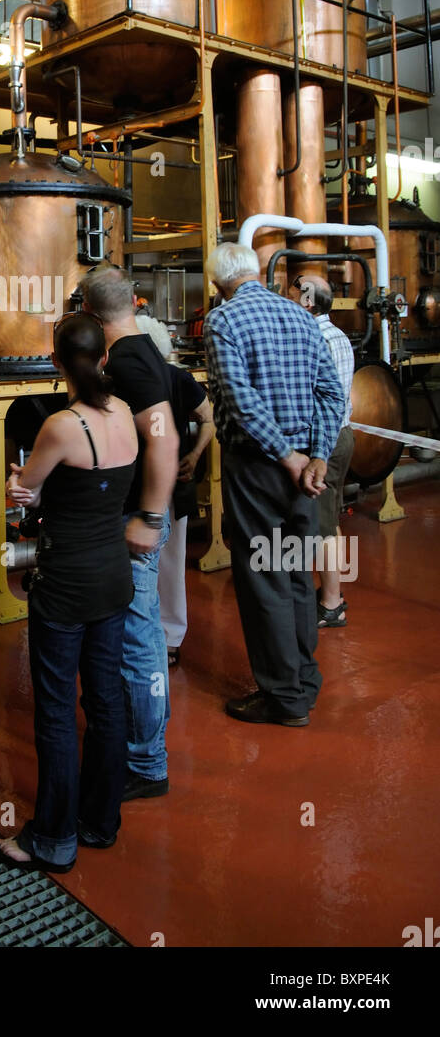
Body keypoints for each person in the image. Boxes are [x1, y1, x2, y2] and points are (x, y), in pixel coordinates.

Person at [0, 312, 138, 873]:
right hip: (113, 579)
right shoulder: (127, 413)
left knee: (55, 712)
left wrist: (18, 484)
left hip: (65, 586)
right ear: (104, 359)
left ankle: (53, 838)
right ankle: (101, 822)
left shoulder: (61, 425)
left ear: (57, 364)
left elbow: (24, 491)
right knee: (105, 702)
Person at [203, 244, 345, 726]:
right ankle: (304, 682)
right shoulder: (301, 316)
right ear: (256, 272)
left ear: (218, 283)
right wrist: (318, 456)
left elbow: (240, 401)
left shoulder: (223, 321)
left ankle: (283, 698)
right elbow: (331, 392)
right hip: (306, 471)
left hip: (261, 468)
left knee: (264, 581)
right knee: (294, 573)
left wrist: (288, 458)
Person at [82, 264, 179, 800]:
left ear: (92, 315)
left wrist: (150, 517)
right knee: (133, 636)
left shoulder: (128, 361)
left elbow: (162, 438)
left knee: (139, 642)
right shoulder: (144, 352)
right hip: (129, 516)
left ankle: (146, 764)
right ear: (135, 303)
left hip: (137, 520)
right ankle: (136, 748)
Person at [290, 273, 355, 629]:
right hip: (343, 435)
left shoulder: (314, 337)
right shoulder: (339, 335)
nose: (288, 293)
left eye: (294, 289)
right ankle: (333, 594)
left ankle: (332, 604)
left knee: (324, 528)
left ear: (307, 300)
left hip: (324, 442)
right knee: (330, 520)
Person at [158, 365, 214, 668]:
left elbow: (208, 416)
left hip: (171, 479)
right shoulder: (174, 375)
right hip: (145, 479)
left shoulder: (175, 377)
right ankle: (167, 637)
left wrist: (194, 456)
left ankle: (169, 637)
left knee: (170, 559)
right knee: (170, 561)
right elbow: (207, 417)